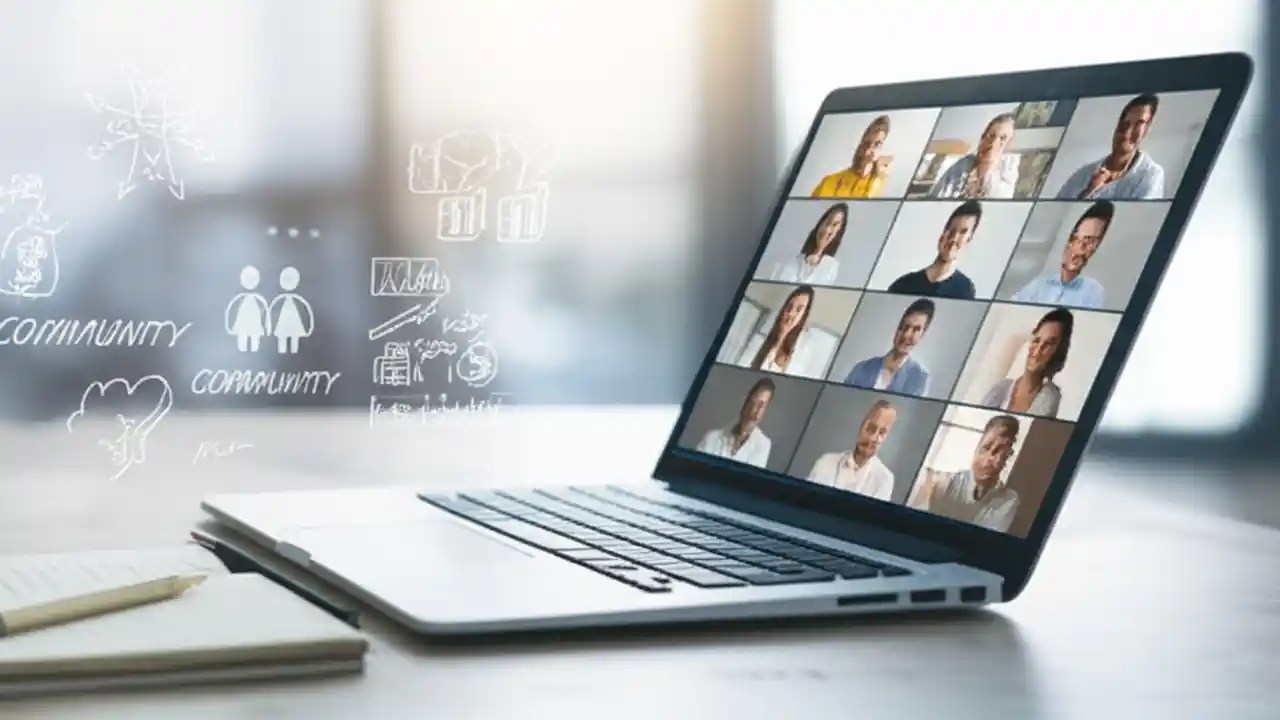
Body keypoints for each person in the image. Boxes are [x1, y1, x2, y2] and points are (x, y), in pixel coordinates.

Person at [907, 414, 1021, 533]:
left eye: (999, 452)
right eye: (986, 447)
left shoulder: (1008, 500)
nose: (989, 459)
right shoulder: (943, 482)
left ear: (1008, 455)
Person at [1055, 94, 1165, 200]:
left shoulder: (1151, 174)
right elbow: (1056, 210)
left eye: (1138, 124)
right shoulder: (1084, 174)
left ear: (1147, 129)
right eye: (1125, 124)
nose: (1127, 133)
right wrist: (1089, 191)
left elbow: (1141, 216)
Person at [1012, 201, 1113, 308]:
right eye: (1075, 239)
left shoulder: (1094, 291)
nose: (1078, 248)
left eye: (1088, 242)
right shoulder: (1039, 284)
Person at [981, 308, 1073, 417]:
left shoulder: (1049, 397)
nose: (1038, 350)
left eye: (1048, 344)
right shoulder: (1001, 388)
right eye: (1037, 340)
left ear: (1059, 351)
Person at [887, 200, 981, 299]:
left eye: (963, 232)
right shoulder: (904, 284)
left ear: (969, 239)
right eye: (952, 230)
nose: (954, 238)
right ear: (943, 233)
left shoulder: (964, 290)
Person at [806, 399, 897, 501]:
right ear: (861, 426)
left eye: (882, 432)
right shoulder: (826, 462)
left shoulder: (884, 479)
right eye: (870, 428)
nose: (873, 438)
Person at [843, 299, 934, 396]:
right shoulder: (862, 368)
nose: (906, 335)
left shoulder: (920, 378)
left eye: (916, 329)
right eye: (904, 327)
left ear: (922, 335)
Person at [926, 113, 1019, 199]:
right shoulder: (960, 167)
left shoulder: (1007, 177)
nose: (993, 143)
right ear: (982, 137)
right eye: (991, 136)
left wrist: (987, 170)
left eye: (1003, 139)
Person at [736, 285, 818, 376]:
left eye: (798, 310)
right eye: (789, 306)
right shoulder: (759, 340)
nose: (790, 313)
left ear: (803, 317)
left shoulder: (798, 356)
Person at [695, 378, 775, 468]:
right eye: (755, 402)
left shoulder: (763, 445)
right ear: (746, 401)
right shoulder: (711, 438)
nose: (756, 411)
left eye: (762, 405)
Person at [811, 115, 892, 198]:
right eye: (867, 143)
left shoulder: (884, 187)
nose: (868, 151)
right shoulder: (828, 182)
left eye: (877, 144)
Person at [769, 203, 848, 285]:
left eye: (834, 225)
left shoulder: (832, 267)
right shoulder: (793, 258)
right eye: (827, 222)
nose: (827, 230)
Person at [269, 266, 315, 354]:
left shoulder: (296, 299)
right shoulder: (282, 299)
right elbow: (271, 309)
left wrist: (309, 328)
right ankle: (283, 351)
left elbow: (307, 309)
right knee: (283, 336)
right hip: (284, 322)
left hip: (294, 322)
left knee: (294, 337)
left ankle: (293, 351)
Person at [225, 265, 270, 352]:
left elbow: (265, 310)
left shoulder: (253, 298)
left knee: (253, 337)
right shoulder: (243, 297)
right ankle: (245, 350)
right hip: (246, 322)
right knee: (244, 337)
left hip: (253, 322)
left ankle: (252, 350)